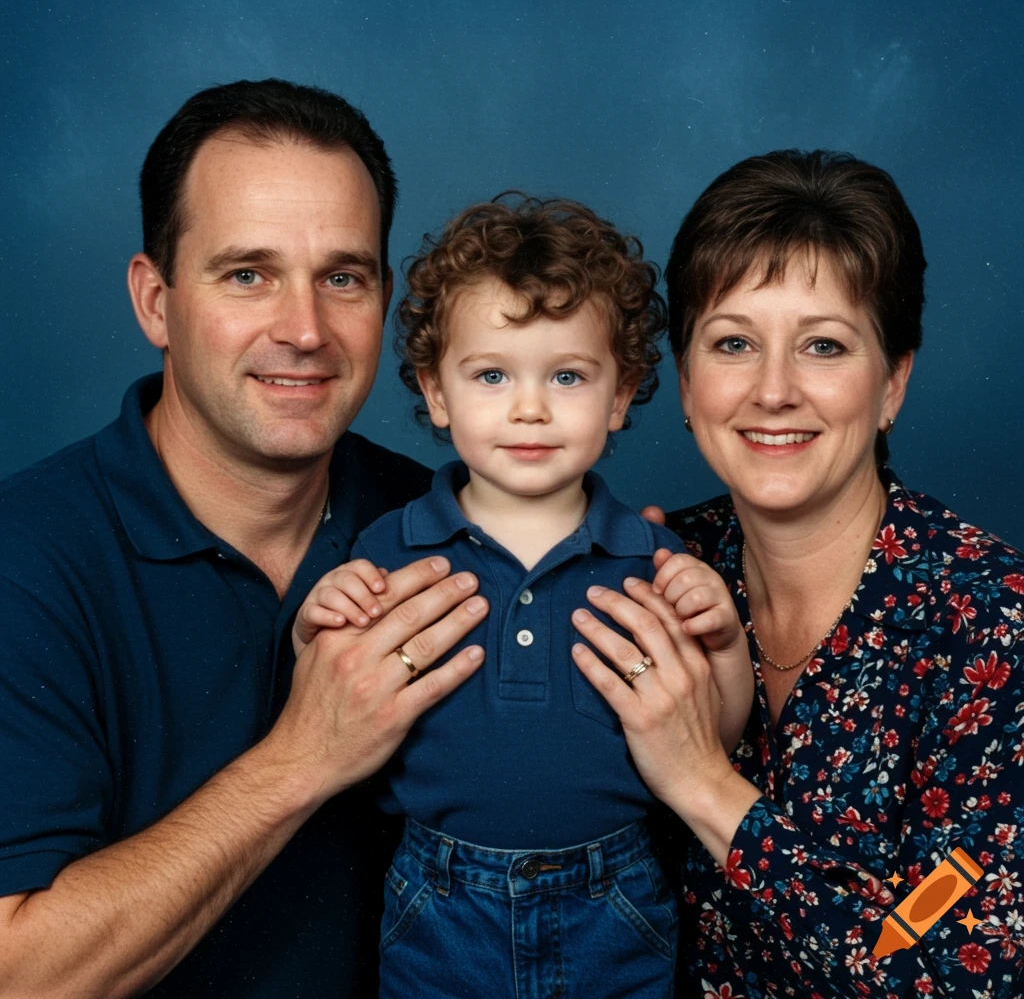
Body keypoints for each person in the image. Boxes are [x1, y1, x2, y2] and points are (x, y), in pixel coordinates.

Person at [0, 79, 492, 998]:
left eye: (342, 277)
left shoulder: (446, 522)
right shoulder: (25, 564)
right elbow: (17, 970)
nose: (304, 330)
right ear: (156, 301)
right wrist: (304, 756)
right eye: (247, 275)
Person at [570, 150, 1024, 998]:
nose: (773, 391)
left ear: (893, 382)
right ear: (685, 382)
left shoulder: (992, 625)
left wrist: (705, 784)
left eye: (823, 345)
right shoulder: (646, 571)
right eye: (734, 343)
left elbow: (956, 975)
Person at [293, 194, 755, 998]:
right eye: (493, 374)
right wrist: (314, 628)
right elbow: (324, 707)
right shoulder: (392, 551)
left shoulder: (650, 558)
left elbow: (714, 735)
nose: (530, 406)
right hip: (440, 896)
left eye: (568, 376)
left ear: (619, 397)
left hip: (614, 892)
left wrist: (723, 644)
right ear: (438, 394)